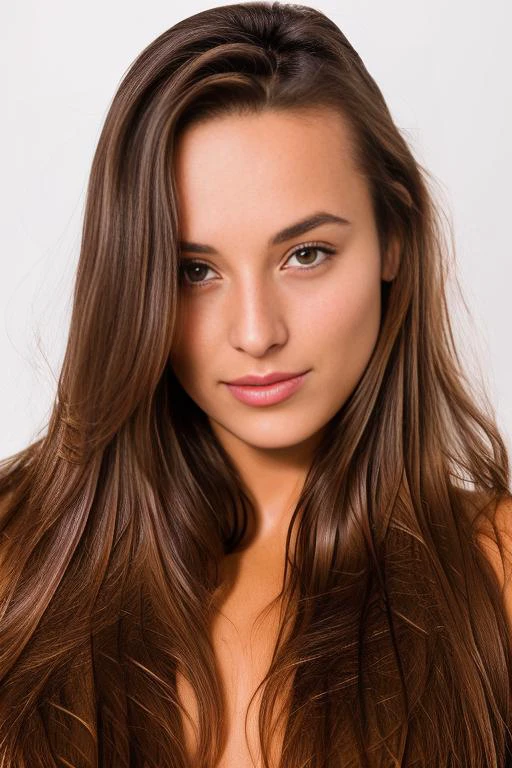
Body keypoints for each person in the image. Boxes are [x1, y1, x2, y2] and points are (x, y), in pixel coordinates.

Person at [0, 2, 511, 766]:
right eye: (194, 271)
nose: (255, 332)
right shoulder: (16, 561)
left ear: (393, 240)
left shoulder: (496, 570)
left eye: (304, 254)